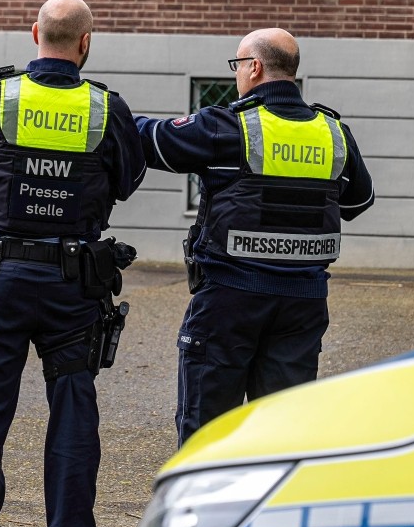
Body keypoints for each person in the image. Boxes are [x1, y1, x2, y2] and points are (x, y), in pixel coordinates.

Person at [0, 0, 146, 527]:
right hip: (73, 282)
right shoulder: (106, 108)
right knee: (75, 411)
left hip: (0, 278)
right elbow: (127, 180)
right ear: (86, 42)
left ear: (36, 34)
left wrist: (1, 223)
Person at [135, 28, 374, 445]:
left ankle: (206, 510)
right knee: (283, 435)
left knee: (207, 433)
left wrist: (106, 111)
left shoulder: (226, 126)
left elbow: (151, 140)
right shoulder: (334, 133)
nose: (237, 75)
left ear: (255, 67)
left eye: (238, 65)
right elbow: (358, 201)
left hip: (230, 300)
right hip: (303, 305)